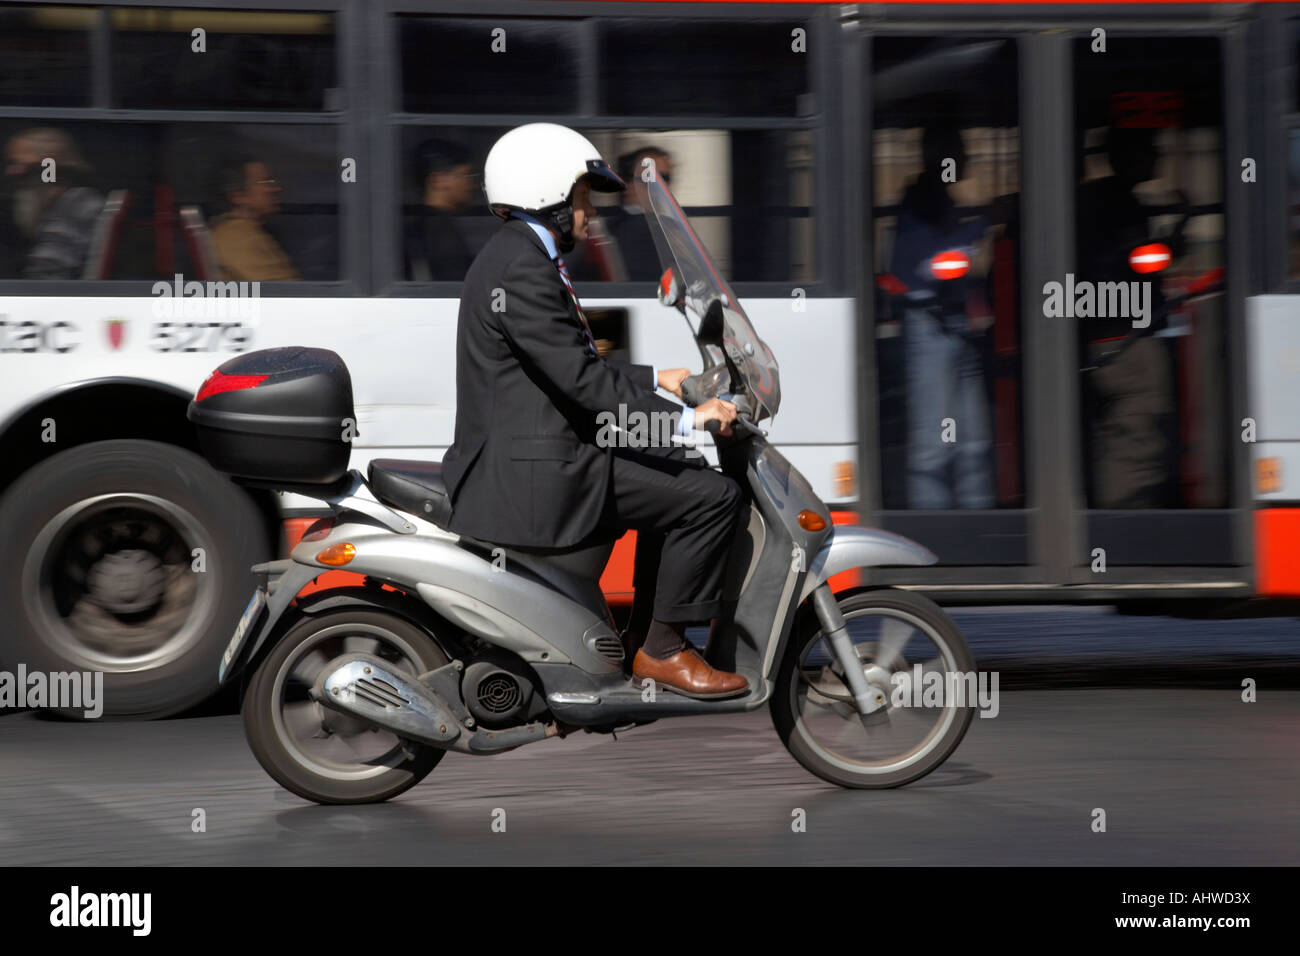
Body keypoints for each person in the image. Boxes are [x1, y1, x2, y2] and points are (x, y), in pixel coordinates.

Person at [441, 123, 749, 700]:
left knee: (673, 466)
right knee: (713, 497)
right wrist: (691, 418)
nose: (590, 214)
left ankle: (643, 640)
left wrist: (658, 378)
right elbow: (583, 383)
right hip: (538, 470)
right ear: (548, 195)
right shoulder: (524, 267)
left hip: (543, 451)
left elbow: (566, 364)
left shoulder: (523, 255)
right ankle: (663, 651)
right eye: (582, 199)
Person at [1076, 126, 1183, 508]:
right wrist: (1173, 242)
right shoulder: (1122, 203)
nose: (1158, 156)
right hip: (1128, 343)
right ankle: (1128, 530)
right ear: (1131, 156)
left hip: (1100, 340)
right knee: (1140, 438)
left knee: (1117, 435)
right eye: (1150, 149)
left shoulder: (1095, 198)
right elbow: (1142, 259)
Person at [889, 125, 995, 509]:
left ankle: (977, 534)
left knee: (974, 442)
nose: (967, 159)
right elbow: (928, 266)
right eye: (960, 151)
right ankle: (935, 541)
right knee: (934, 446)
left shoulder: (942, 199)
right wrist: (980, 228)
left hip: (956, 326)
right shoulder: (920, 200)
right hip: (931, 327)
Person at [2, 128, 104, 279]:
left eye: (18, 163)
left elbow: (47, 277)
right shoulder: (51, 209)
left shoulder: (77, 205)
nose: (11, 172)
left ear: (48, 166)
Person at [571, 145, 673, 282]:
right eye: (650, 178)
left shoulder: (665, 225)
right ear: (628, 184)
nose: (660, 187)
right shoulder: (637, 229)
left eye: (665, 178)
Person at [209, 155, 300, 281]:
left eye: (272, 182)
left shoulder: (247, 231)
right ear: (238, 196)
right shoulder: (235, 238)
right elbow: (279, 294)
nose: (276, 189)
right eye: (265, 182)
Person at [407, 138, 477, 281]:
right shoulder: (439, 232)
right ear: (438, 180)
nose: (472, 184)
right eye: (466, 175)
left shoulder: (424, 225)